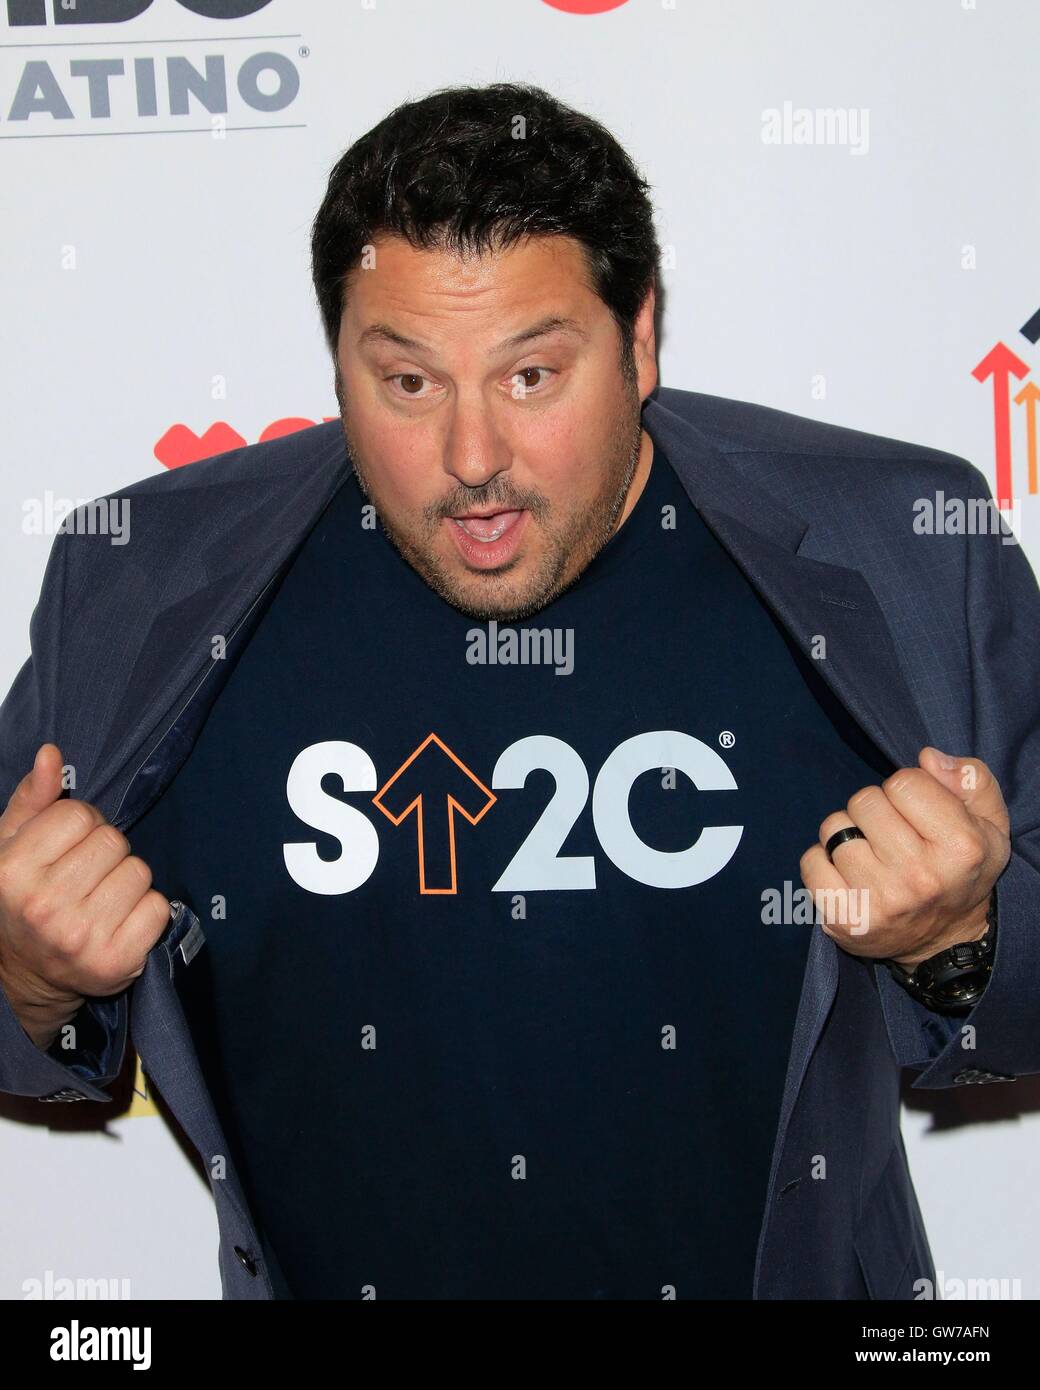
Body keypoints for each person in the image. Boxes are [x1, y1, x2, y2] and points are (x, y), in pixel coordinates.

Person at [0, 81, 1036, 1301]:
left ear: (639, 338)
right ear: (336, 359)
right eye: (408, 383)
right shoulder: (141, 581)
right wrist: (28, 975)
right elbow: (24, 998)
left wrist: (956, 945)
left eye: (532, 375)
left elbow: (1012, 1004)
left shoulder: (898, 547)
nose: (473, 457)